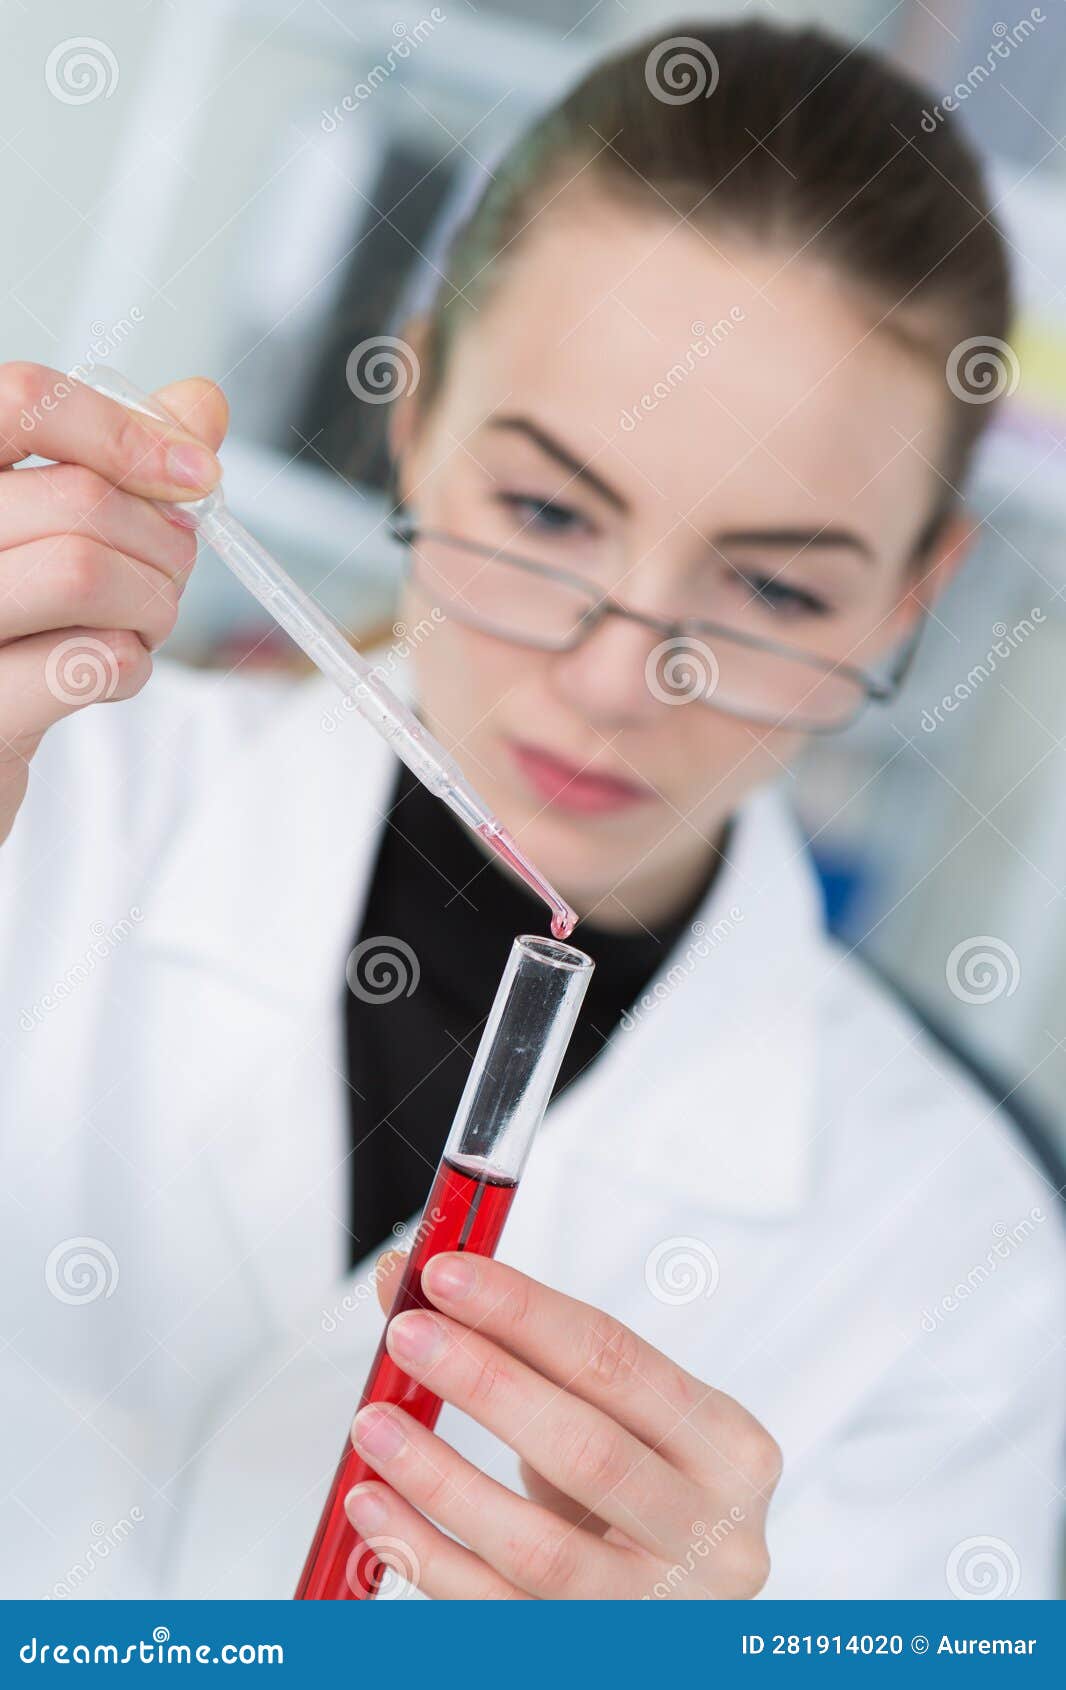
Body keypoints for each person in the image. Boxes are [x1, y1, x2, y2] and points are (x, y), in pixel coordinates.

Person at [0, 20, 1061, 1601]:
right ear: (413, 413)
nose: (625, 672)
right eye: (549, 510)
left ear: (914, 590)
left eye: (773, 583)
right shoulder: (61, 802)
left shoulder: (961, 1254)